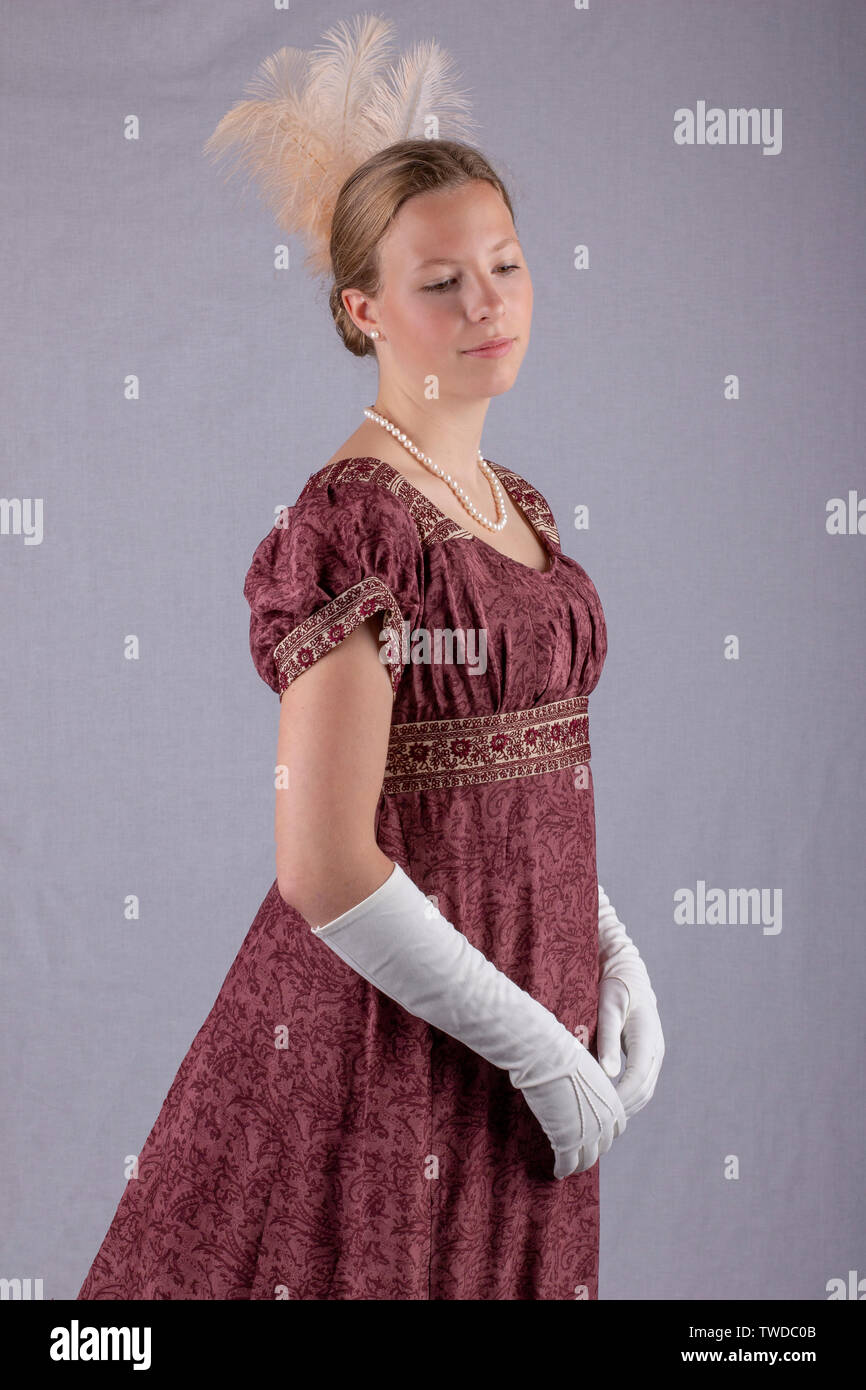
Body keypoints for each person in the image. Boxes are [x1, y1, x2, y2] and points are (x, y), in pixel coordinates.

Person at [76, 26, 663, 1302]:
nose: (488, 305)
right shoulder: (351, 522)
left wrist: (611, 958)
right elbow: (327, 863)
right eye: (440, 281)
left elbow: (520, 787)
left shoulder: (519, 505)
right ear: (363, 310)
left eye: (504, 266)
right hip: (393, 1049)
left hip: (529, 1025)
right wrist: (535, 1051)